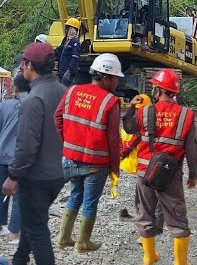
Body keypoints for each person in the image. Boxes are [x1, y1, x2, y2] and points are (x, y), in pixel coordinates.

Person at [0, 40, 66, 265]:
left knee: (37, 228)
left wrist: (13, 176)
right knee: (31, 218)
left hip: (37, 176)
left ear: (29, 66)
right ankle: (19, 260)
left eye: (23, 63)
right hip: (59, 171)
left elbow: (26, 145)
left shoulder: (33, 99)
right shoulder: (64, 91)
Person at [122, 68, 197, 265]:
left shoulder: (145, 111)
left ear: (158, 90)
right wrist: (193, 174)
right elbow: (191, 148)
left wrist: (132, 107)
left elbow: (129, 128)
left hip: (144, 172)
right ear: (174, 92)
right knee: (177, 218)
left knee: (145, 214)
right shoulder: (186, 115)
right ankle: (181, 262)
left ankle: (149, 257)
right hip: (169, 174)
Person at [54, 54, 123, 253]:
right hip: (95, 163)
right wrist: (115, 168)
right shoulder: (110, 101)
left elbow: (57, 117)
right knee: (90, 202)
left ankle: (63, 238)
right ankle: (83, 242)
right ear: (106, 77)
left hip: (70, 159)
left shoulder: (72, 91)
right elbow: (113, 139)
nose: (117, 83)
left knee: (75, 195)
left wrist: (68, 142)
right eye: (116, 78)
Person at [0, 70, 26, 243]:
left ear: (15, 89)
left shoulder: (4, 105)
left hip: (1, 155)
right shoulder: (32, 106)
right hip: (19, 158)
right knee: (19, 195)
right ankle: (14, 234)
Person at [57, 19, 81, 85]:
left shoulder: (75, 42)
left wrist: (69, 71)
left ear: (72, 29)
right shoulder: (66, 41)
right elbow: (59, 50)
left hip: (67, 73)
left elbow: (74, 58)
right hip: (62, 72)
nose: (65, 30)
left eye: (67, 28)